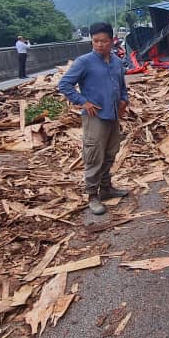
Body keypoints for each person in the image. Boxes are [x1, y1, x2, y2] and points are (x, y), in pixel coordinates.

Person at [58, 22, 130, 216]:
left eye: (103, 41)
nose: (99, 44)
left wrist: (124, 100)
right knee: (93, 155)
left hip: (113, 114)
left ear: (111, 40)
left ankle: (106, 188)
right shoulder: (84, 61)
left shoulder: (116, 61)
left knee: (111, 152)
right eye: (95, 41)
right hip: (95, 116)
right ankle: (92, 195)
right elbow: (64, 84)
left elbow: (122, 85)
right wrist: (83, 102)